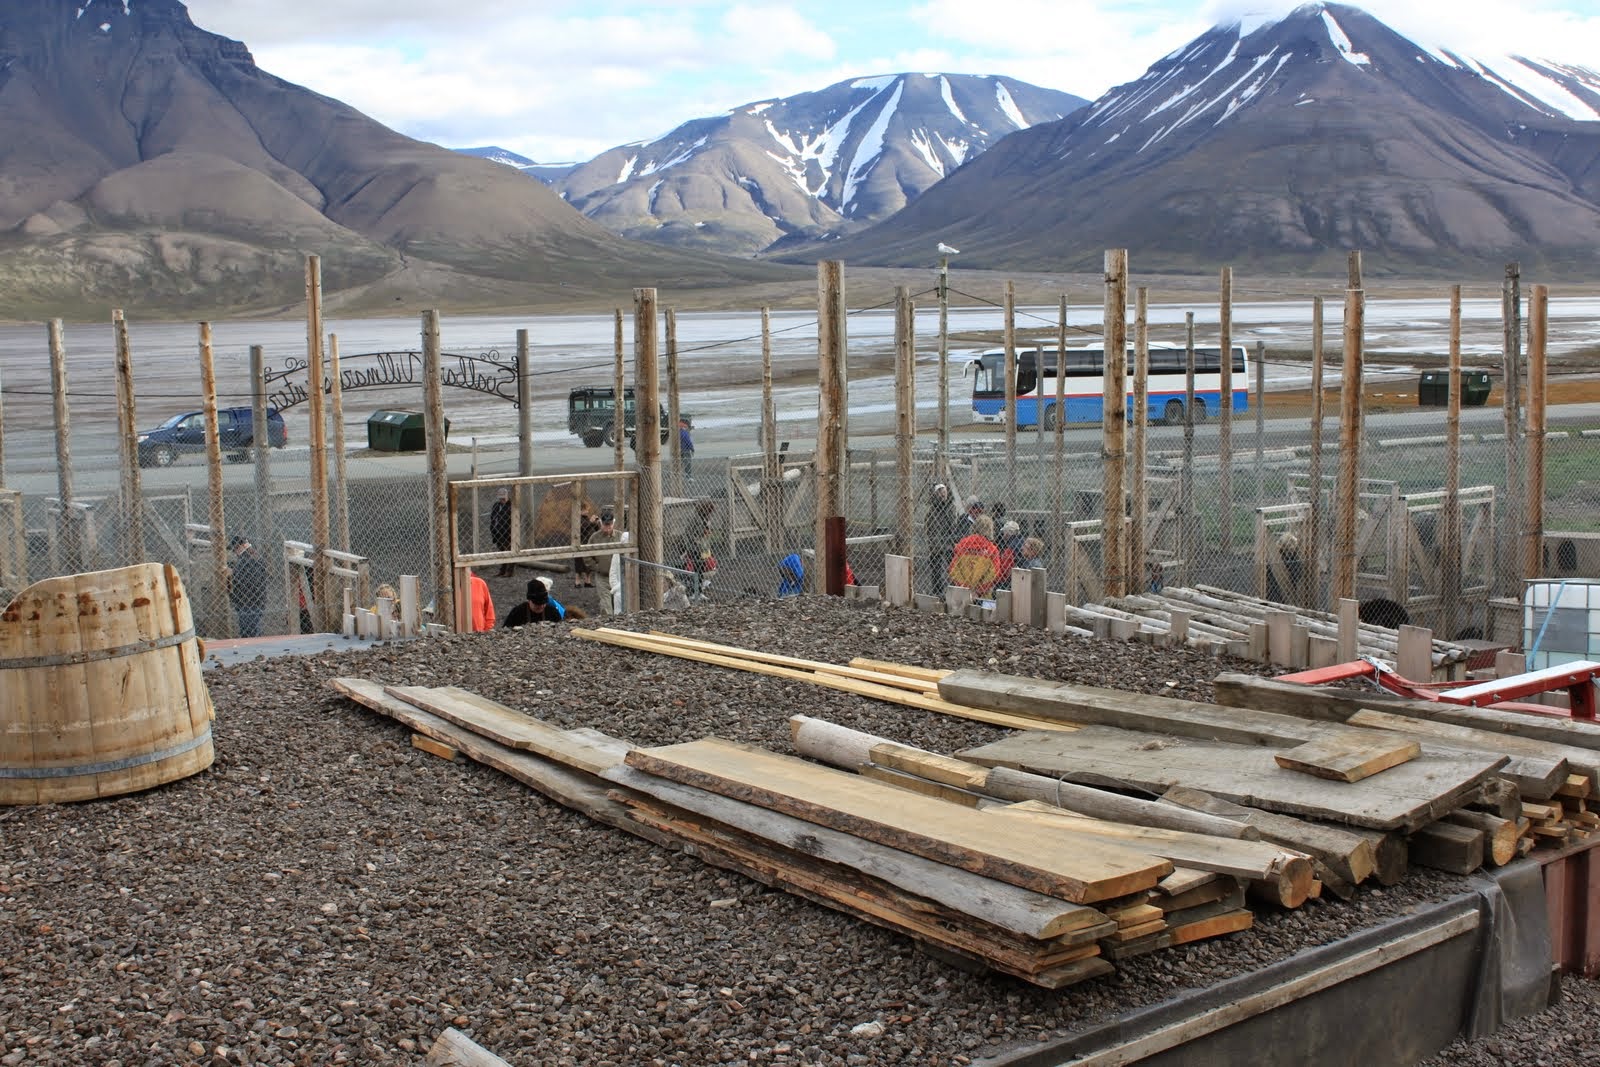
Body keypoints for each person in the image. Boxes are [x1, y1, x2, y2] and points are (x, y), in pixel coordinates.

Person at [948, 514, 1002, 599]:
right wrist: (979, 590)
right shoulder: (992, 549)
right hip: (982, 596)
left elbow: (953, 569)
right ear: (990, 529)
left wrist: (964, 587)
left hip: (962, 595)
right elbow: (994, 573)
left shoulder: (962, 544)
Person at [226, 534, 268, 637]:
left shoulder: (248, 560)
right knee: (252, 630)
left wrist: (232, 573)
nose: (234, 552)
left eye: (235, 549)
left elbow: (244, 581)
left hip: (248, 602)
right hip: (255, 601)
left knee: (248, 632)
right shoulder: (255, 557)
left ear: (240, 546)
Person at [585, 510, 622, 615]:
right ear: (601, 523)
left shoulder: (620, 536)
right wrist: (596, 567)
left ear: (613, 523)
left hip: (618, 577)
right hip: (603, 576)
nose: (607, 527)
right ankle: (607, 624)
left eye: (609, 525)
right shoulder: (594, 537)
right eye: (605, 525)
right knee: (606, 605)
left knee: (619, 603)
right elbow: (587, 555)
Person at [925, 483, 960, 594]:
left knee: (952, 567)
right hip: (936, 543)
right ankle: (937, 591)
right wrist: (931, 540)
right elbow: (928, 526)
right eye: (940, 492)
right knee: (936, 569)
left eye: (944, 491)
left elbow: (953, 524)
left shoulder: (951, 507)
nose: (942, 494)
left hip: (949, 541)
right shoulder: (932, 509)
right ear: (935, 494)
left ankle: (955, 589)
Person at [489, 488, 514, 576]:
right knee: (501, 552)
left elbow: (516, 519)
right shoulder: (496, 505)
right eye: (500, 498)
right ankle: (502, 570)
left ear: (507, 496)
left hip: (508, 533)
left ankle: (509, 571)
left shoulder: (511, 506)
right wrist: (493, 530)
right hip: (498, 532)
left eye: (504, 498)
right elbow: (493, 518)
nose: (502, 500)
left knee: (509, 552)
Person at [573, 509, 601, 587]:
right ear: (580, 510)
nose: (587, 511)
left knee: (589, 562)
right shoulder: (577, 519)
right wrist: (591, 522)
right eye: (584, 509)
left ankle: (587, 581)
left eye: (587, 509)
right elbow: (582, 529)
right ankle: (577, 582)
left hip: (588, 543)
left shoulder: (587, 519)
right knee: (579, 563)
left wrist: (596, 523)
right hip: (580, 543)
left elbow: (596, 530)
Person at [995, 519, 1026, 585]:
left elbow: (1006, 568)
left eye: (1004, 532)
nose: (1003, 535)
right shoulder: (1022, 541)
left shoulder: (1011, 547)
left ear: (1008, 533)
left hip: (1010, 580)